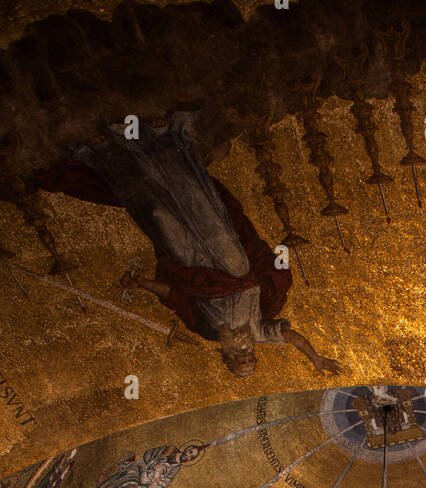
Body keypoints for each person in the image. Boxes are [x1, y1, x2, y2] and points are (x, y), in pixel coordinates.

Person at [35, 112, 341, 378]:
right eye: (250, 358)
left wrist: (142, 283)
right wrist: (316, 357)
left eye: (240, 360)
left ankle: (116, 147)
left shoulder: (208, 331)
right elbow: (290, 336)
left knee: (159, 213)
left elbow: (176, 297)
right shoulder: (258, 332)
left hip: (193, 268)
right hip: (234, 266)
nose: (246, 354)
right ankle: (166, 137)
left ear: (228, 357)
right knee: (200, 202)